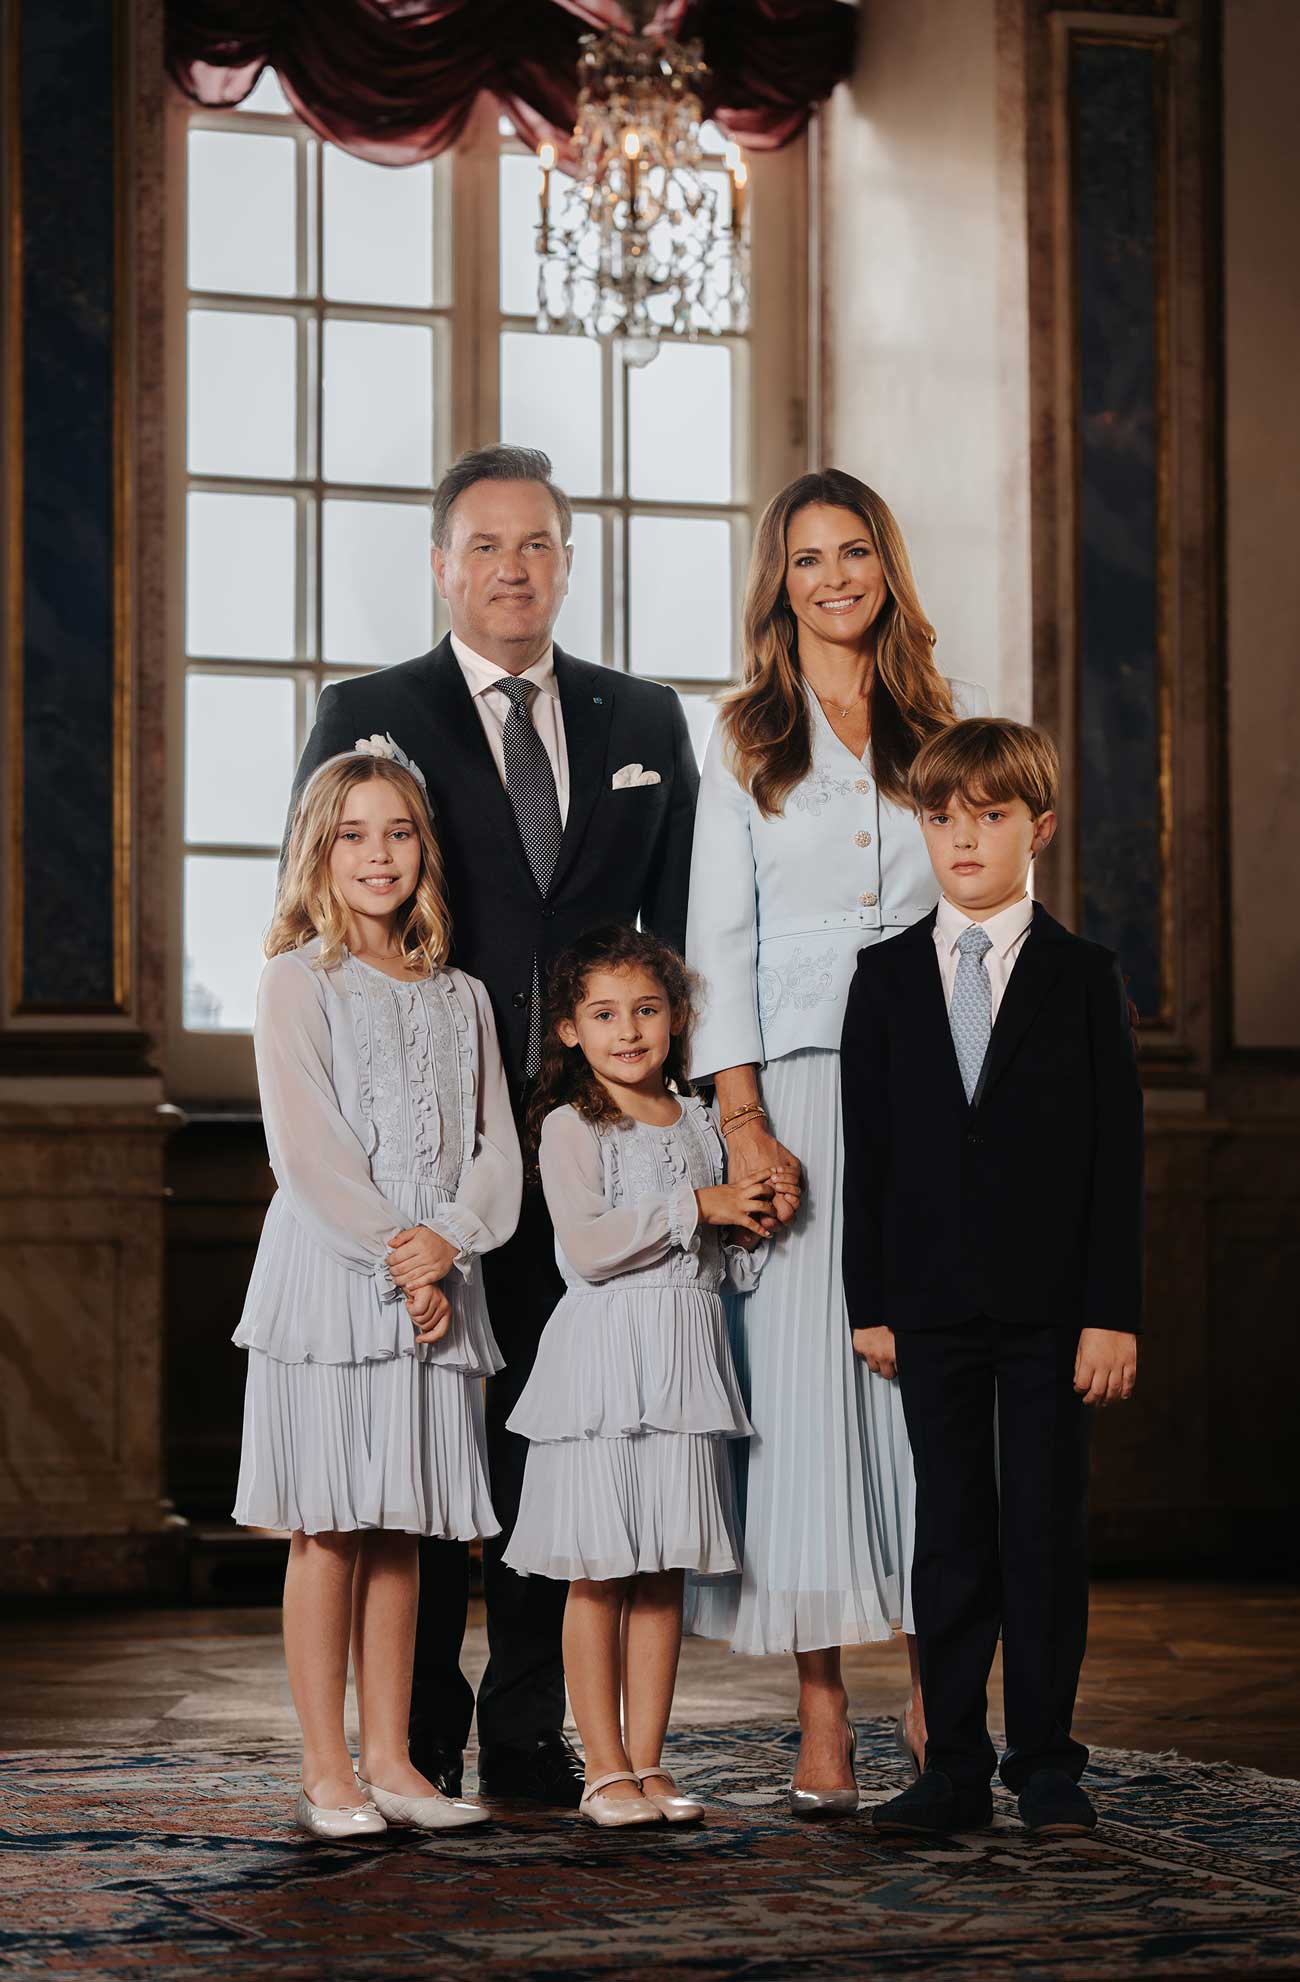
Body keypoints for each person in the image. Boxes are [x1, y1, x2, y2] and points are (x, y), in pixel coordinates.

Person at [288, 446, 699, 1808]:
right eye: (485, 545)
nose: (512, 567)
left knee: (553, 1440)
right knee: (418, 1443)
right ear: (442, 562)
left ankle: (529, 1722)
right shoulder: (372, 707)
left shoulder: (643, 715)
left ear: (567, 562)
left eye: (536, 545)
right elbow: (325, 894)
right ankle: (408, 1738)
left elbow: (678, 927)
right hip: (431, 1148)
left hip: (586, 1134)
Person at [684, 467, 989, 1814]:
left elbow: (987, 916)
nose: (833, 576)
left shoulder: (944, 725)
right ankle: (822, 1714)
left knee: (932, 1393)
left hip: (936, 1088)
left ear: (886, 566)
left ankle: (941, 1695)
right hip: (797, 1092)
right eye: (807, 557)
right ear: (780, 581)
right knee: (808, 1403)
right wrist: (742, 1123)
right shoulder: (744, 734)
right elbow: (716, 940)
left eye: (854, 549)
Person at [842, 718, 1143, 1837]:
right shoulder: (881, 979)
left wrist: (1111, 1314)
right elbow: (865, 1152)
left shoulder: (1082, 977)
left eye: (991, 815)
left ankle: (1049, 1762)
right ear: (919, 826)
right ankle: (952, 1764)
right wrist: (867, 1301)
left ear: (1039, 828)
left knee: (1042, 1535)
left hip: (1054, 1311)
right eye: (941, 816)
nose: (964, 838)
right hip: (926, 1307)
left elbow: (1118, 1161)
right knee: (953, 1534)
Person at [233, 735, 522, 1840]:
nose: (378, 852)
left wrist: (448, 1241)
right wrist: (399, 1252)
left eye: (398, 831)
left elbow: (497, 1147)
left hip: (442, 1277)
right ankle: (325, 1768)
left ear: (424, 851)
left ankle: (396, 1759)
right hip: (334, 1277)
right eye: (353, 832)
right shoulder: (296, 981)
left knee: (406, 1526)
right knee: (331, 1526)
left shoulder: (462, 996)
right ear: (318, 849)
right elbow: (307, 1151)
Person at [503, 925, 788, 1827]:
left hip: (685, 1363)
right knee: (600, 1571)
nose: (628, 1030)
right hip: (603, 1369)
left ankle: (652, 1763)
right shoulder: (569, 1126)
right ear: (568, 1031)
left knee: (663, 1569)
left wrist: (744, 1230)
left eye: (647, 1010)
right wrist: (696, 1206)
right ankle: (602, 1767)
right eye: (603, 1013)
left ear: (678, 1019)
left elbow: (713, 1260)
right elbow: (584, 1251)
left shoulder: (705, 1122)